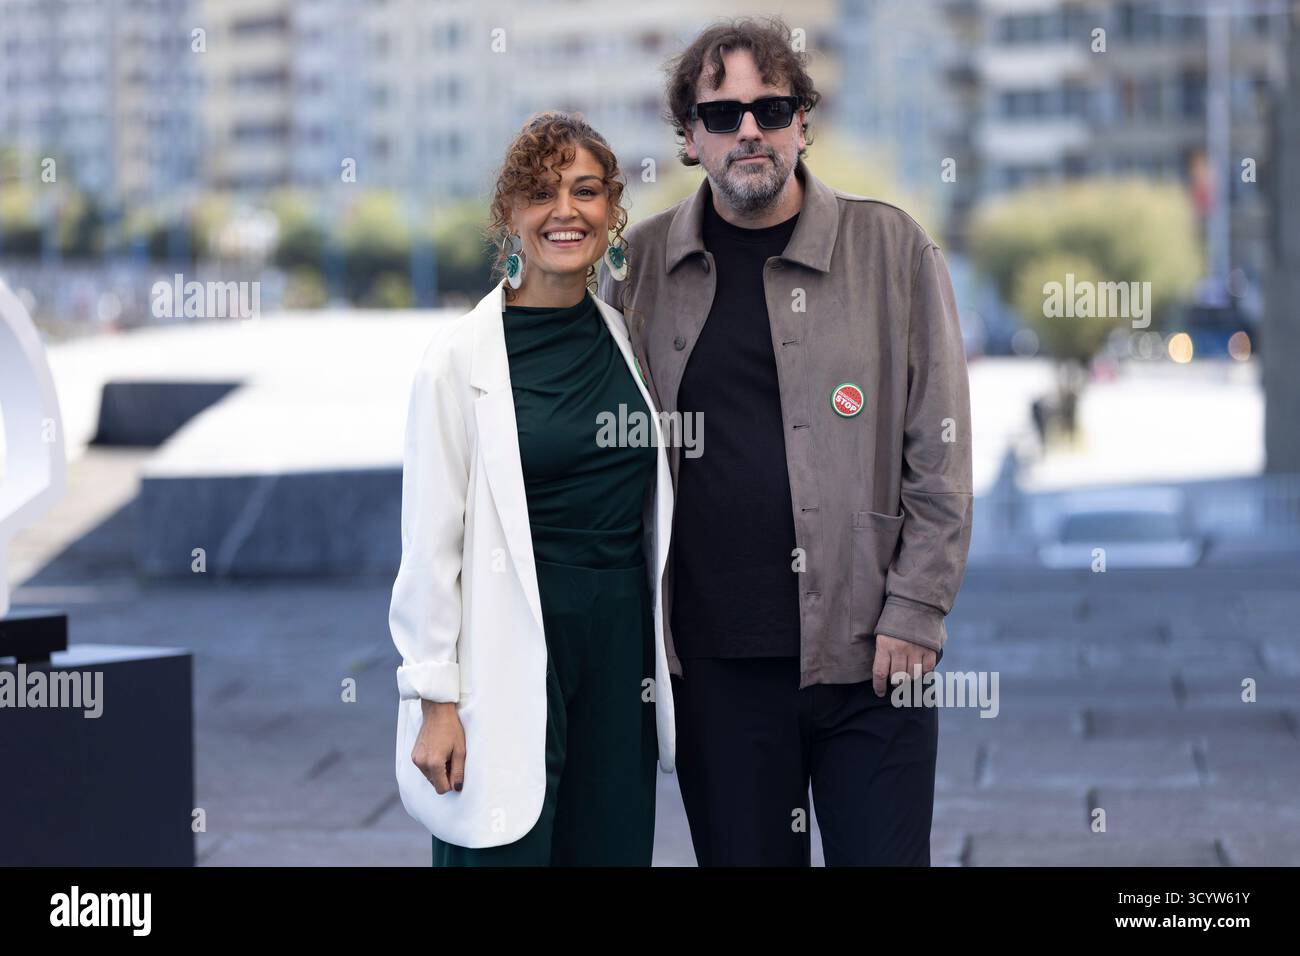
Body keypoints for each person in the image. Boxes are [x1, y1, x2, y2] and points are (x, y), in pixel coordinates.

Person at [599, 16, 973, 866]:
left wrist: (917, 610)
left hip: (873, 660)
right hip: (716, 671)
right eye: (722, 115)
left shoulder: (893, 249)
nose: (749, 131)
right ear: (690, 139)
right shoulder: (641, 267)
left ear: (804, 121)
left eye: (771, 108)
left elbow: (941, 450)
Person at [390, 111, 676, 866]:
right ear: (509, 216)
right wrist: (435, 701)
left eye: (586, 192)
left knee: (608, 848)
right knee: (502, 849)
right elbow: (428, 545)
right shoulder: (455, 361)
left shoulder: (625, 337)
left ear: (613, 212)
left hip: (619, 648)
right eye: (541, 193)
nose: (565, 211)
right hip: (509, 639)